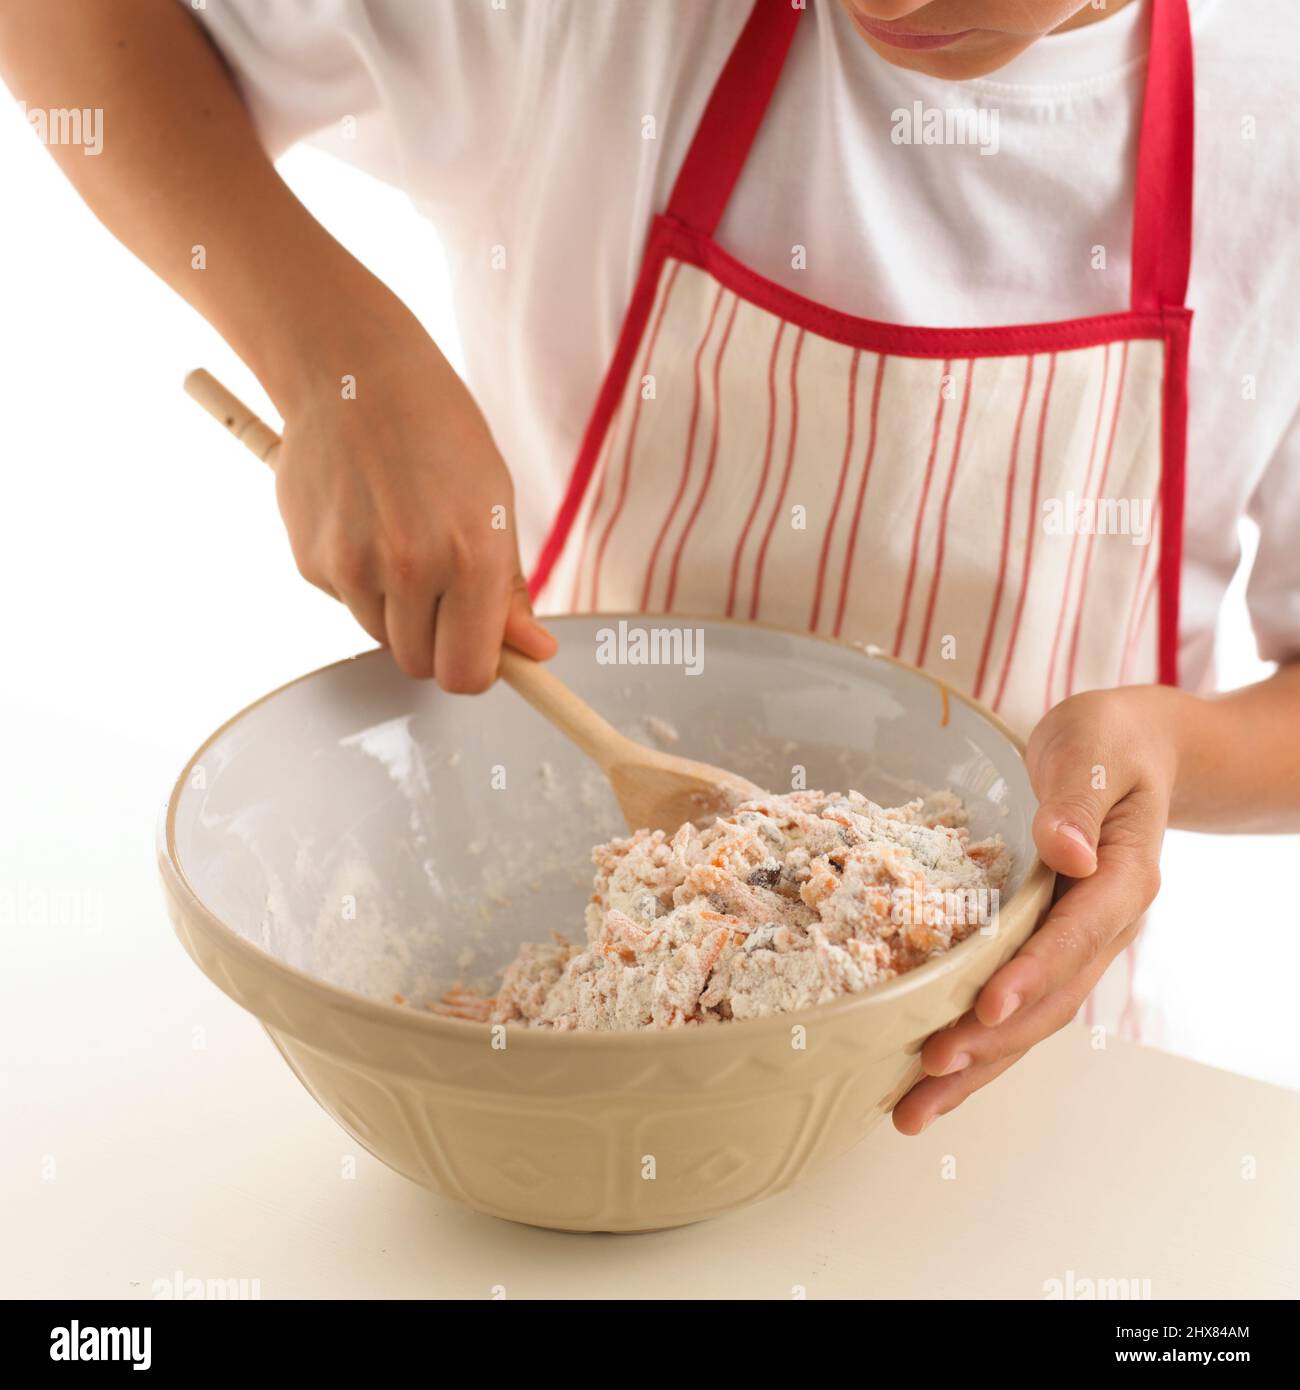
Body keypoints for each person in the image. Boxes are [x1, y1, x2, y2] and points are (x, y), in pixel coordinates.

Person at [4, 0, 1297, 1133]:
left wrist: (1168, 744)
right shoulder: (598, 23)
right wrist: (330, 345)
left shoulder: (1271, 136)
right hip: (585, 1061)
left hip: (1026, 1086)